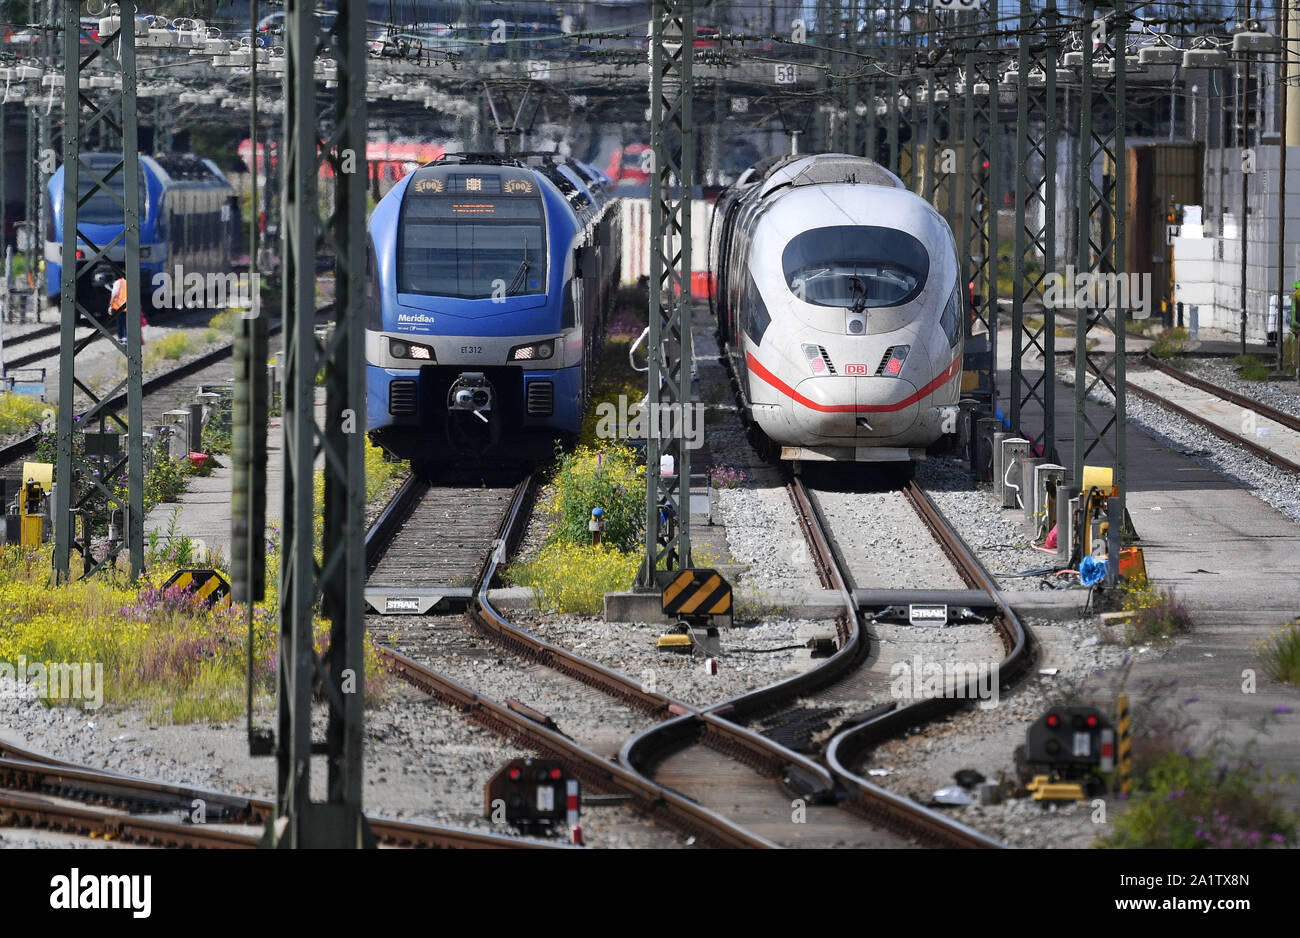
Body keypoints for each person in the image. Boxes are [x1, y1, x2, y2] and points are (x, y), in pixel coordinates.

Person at [107, 275, 148, 344]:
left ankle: (121, 340)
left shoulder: (118, 282)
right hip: (130, 307)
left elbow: (114, 293)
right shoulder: (132, 282)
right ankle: (127, 340)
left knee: (120, 324)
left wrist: (111, 305)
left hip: (119, 307)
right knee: (128, 325)